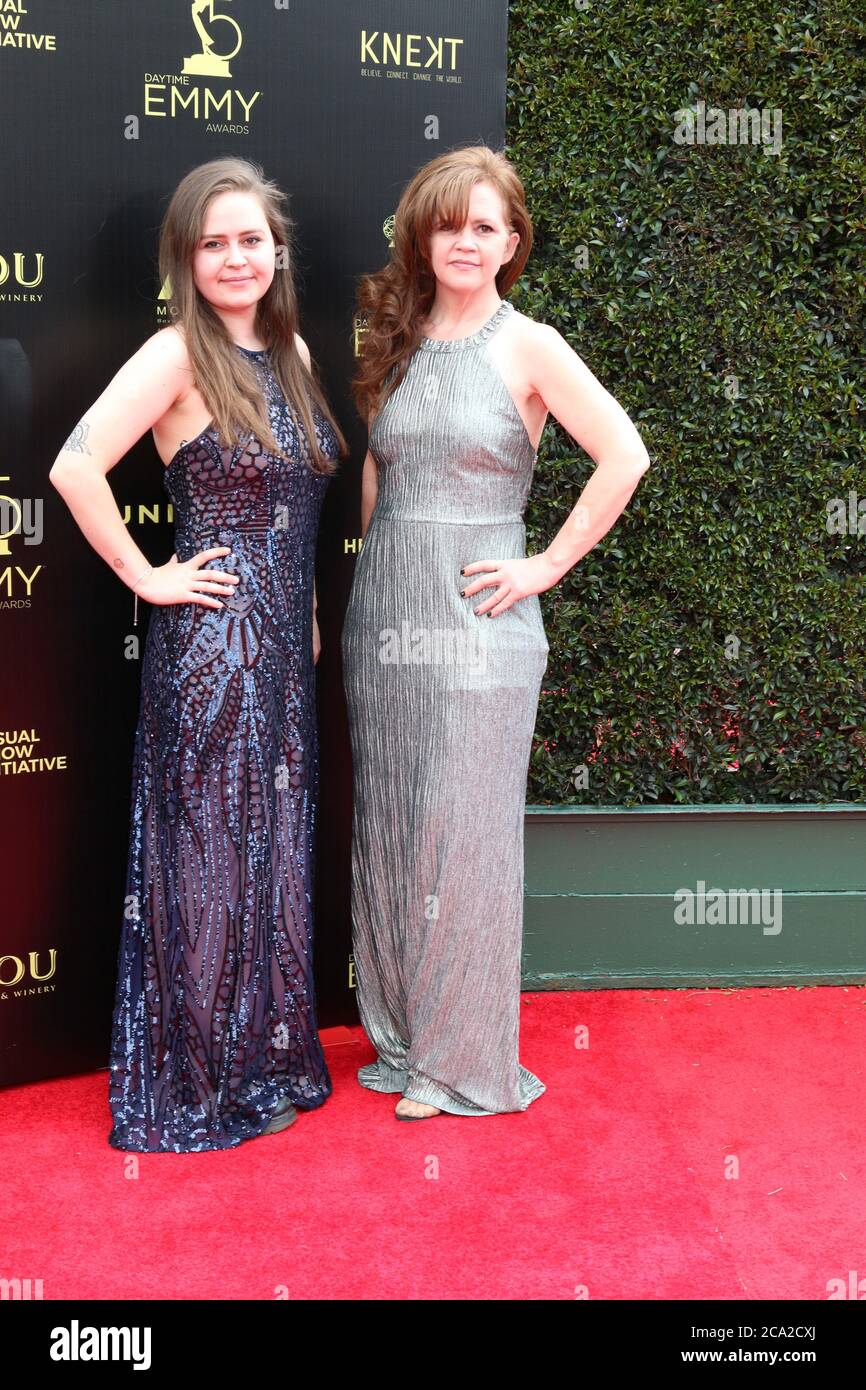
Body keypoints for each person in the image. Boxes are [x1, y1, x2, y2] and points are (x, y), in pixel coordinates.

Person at [342, 145, 650, 1120]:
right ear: (420, 234)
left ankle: (457, 1057)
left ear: (510, 242)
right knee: (392, 826)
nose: (464, 240)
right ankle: (401, 1035)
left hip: (478, 626)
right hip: (386, 618)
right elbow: (379, 476)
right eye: (448, 223)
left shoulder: (532, 344)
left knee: (457, 836)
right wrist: (367, 581)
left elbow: (623, 454)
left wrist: (542, 564)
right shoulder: (396, 337)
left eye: (485, 226)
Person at [49, 157, 347, 1151]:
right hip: (211, 651)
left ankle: (261, 1051)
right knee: (210, 859)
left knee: (270, 849)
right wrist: (149, 574)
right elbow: (75, 463)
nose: (233, 257)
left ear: (277, 249)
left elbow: (299, 511)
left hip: (280, 660)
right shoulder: (174, 353)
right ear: (185, 259)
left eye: (248, 239)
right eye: (212, 243)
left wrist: (303, 606)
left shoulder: (292, 349)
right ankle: (203, 1074)